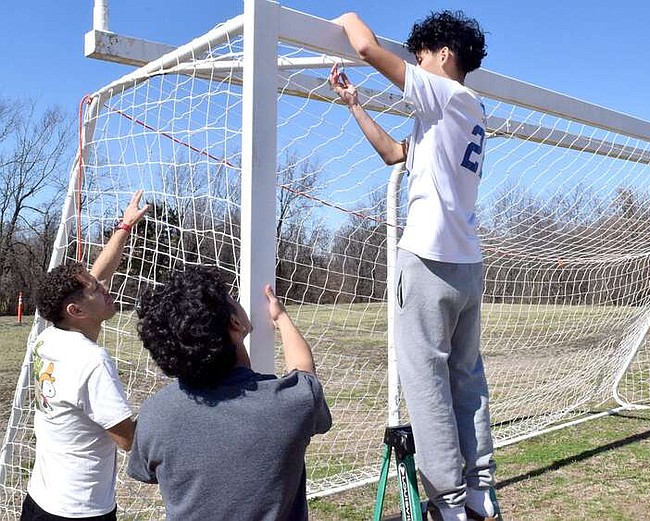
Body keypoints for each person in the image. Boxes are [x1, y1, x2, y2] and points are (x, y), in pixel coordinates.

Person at [329, 10, 498, 521]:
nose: (416, 66)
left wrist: (347, 16)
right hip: (466, 265)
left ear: (444, 56)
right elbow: (394, 155)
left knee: (426, 387)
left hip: (427, 261)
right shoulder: (466, 112)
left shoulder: (446, 95)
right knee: (467, 381)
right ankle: (479, 491)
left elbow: (364, 48)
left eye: (420, 57)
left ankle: (447, 503)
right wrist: (355, 105)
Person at [128, 266, 332, 521]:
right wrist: (281, 319)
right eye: (230, 296)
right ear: (234, 323)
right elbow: (304, 370)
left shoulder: (154, 414)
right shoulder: (292, 403)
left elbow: (147, 473)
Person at [22, 190, 150, 521]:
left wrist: (124, 227)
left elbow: (99, 274)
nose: (106, 289)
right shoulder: (91, 361)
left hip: (40, 499)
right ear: (76, 309)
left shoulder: (47, 338)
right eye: (96, 290)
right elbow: (127, 439)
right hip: (81, 512)